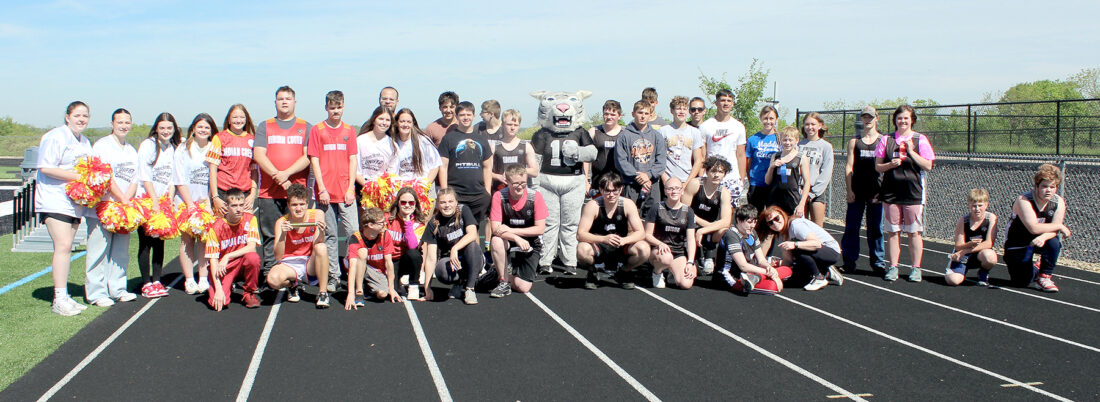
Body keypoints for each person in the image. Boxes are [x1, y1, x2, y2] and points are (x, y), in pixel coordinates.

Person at [37, 101, 94, 315]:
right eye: (77, 115)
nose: (81, 119)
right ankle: (58, 298)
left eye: (85, 116)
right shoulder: (55, 136)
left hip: (74, 202)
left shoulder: (85, 141)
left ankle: (64, 294)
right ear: (67, 116)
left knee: (67, 247)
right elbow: (46, 166)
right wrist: (79, 176)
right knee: (63, 245)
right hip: (55, 199)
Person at [253, 86, 313, 286]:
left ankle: (298, 274)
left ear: (295, 102)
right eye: (280, 99)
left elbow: (308, 156)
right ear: (275, 102)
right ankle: (270, 272)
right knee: (271, 234)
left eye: (288, 98)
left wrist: (286, 174)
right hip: (269, 192)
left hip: (296, 192)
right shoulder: (265, 126)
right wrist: (278, 176)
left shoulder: (305, 126)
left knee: (298, 233)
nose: (284, 102)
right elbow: (259, 155)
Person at [84, 108, 140, 307]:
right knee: (98, 251)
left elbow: (135, 178)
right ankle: (96, 293)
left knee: (121, 251)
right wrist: (121, 198)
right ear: (112, 124)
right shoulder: (102, 145)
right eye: (120, 122)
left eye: (127, 122)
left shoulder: (131, 150)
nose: (124, 126)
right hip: (104, 207)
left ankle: (117, 289)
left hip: (124, 208)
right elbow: (103, 176)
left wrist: (127, 201)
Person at [875, 105, 935, 282]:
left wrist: (910, 152)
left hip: (913, 193)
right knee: (893, 232)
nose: (902, 121)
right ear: (895, 120)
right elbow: (878, 166)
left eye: (906, 118)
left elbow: (928, 165)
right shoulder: (886, 139)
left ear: (912, 120)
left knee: (914, 232)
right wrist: (890, 165)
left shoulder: (920, 139)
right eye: (899, 118)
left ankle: (916, 268)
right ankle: (893, 266)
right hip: (891, 193)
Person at [309, 90, 360, 298]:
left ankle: (352, 273)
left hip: (345, 192)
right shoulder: (317, 130)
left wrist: (350, 189)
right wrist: (321, 188)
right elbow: (314, 160)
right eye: (332, 107)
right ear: (326, 108)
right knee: (329, 235)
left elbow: (352, 160)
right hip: (325, 194)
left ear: (344, 107)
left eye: (339, 107)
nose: (335, 111)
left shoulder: (349, 130)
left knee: (353, 234)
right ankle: (333, 275)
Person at [1003, 164, 1071, 292]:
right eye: (1045, 186)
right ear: (1037, 186)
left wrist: (1045, 236)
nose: (1049, 190)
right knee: (1021, 282)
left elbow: (1054, 231)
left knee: (1054, 242)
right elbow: (1033, 227)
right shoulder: (1024, 200)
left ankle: (1044, 276)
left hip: (1040, 239)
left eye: (1053, 187)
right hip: (1018, 241)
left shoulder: (1058, 202)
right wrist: (1060, 226)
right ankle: (1036, 269)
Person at [577, 173, 649, 290]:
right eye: (607, 191)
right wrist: (604, 239)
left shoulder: (628, 204)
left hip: (621, 245)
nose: (611, 194)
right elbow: (580, 234)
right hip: (599, 245)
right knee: (582, 250)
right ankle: (592, 272)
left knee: (644, 249)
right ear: (600, 189)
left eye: (614, 191)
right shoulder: (593, 205)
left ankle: (624, 271)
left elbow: (641, 232)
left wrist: (625, 240)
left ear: (621, 189)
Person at [136, 112, 181, 298]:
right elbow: (145, 175)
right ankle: (146, 283)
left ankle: (157, 280)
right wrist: (154, 200)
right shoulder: (148, 145)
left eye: (169, 128)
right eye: (162, 128)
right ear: (156, 128)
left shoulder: (173, 147)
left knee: (159, 242)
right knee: (146, 242)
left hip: (163, 201)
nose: (165, 131)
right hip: (146, 199)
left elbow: (173, 177)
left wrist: (168, 199)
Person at [488, 165, 548, 298]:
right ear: (507, 182)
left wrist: (512, 231)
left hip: (531, 242)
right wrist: (515, 238)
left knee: (523, 287)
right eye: (515, 183)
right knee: (496, 240)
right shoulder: (499, 196)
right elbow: (495, 229)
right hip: (509, 240)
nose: (520, 186)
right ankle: (503, 281)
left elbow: (540, 229)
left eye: (523, 183)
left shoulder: (535, 197)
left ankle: (497, 273)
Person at [265, 184, 329, 307]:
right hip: (289, 264)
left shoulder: (317, 215)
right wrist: (283, 234)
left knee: (322, 247)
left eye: (302, 204)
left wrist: (321, 231)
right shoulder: (281, 222)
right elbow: (278, 256)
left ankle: (323, 293)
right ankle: (293, 284)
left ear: (307, 204)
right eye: (294, 205)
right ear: (288, 205)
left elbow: (317, 244)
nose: (298, 209)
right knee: (272, 280)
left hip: (309, 263)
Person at [175, 113, 217, 294]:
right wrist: (190, 204)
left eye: (207, 127)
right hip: (186, 202)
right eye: (200, 126)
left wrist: (208, 201)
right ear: (193, 128)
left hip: (205, 203)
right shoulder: (183, 149)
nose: (203, 130)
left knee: (204, 241)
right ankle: (189, 279)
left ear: (211, 130)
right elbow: (179, 178)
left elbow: (214, 177)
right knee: (187, 240)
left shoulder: (213, 148)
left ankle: (203, 277)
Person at [422, 188, 487, 305]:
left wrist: (455, 248)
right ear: (438, 204)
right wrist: (427, 288)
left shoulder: (464, 210)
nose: (447, 205)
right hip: (452, 263)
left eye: (450, 201)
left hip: (472, 257)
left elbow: (472, 234)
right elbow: (431, 258)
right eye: (443, 202)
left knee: (472, 245)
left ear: (456, 202)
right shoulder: (433, 223)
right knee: (441, 270)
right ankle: (460, 282)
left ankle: (470, 288)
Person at [841, 106, 886, 274]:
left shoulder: (883, 140)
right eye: (865, 117)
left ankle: (878, 264)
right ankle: (849, 262)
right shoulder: (854, 141)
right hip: (857, 191)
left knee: (876, 229)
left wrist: (882, 191)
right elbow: (849, 167)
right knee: (852, 227)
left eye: (871, 117)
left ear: (877, 118)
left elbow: (886, 168)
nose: (868, 120)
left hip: (876, 192)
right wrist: (849, 190)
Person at [757, 206, 844, 291]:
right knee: (795, 279)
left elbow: (817, 244)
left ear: (782, 215)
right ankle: (826, 271)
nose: (775, 223)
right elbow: (788, 260)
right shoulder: (781, 235)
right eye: (770, 223)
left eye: (777, 218)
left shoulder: (796, 225)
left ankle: (819, 277)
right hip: (814, 252)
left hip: (831, 251)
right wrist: (777, 273)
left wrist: (795, 244)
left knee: (797, 250)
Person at [205, 188, 262, 311]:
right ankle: (225, 286)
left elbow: (251, 247)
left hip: (241, 262)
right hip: (223, 268)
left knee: (253, 258)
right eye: (234, 206)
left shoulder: (250, 219)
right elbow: (213, 260)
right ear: (227, 206)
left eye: (241, 205)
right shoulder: (216, 227)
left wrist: (227, 256)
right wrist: (219, 289)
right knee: (219, 302)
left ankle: (249, 292)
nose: (238, 209)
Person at [438, 101, 493, 226]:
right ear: (456, 117)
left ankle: (477, 247)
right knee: (454, 228)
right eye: (462, 115)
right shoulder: (448, 139)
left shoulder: (481, 139)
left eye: (469, 114)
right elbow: (443, 167)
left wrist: (487, 192)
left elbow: (487, 166)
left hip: (478, 195)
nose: (466, 117)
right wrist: (445, 191)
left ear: (474, 116)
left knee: (476, 228)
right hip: (456, 193)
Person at [719, 205, 791, 295]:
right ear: (738, 220)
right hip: (732, 277)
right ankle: (755, 278)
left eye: (755, 222)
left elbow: (761, 260)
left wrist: (769, 268)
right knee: (773, 287)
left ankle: (756, 278)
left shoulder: (752, 233)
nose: (752, 226)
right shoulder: (731, 235)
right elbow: (743, 266)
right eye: (749, 222)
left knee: (787, 270)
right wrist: (769, 273)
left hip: (749, 274)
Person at [680, 156, 731, 275]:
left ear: (724, 174)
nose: (716, 175)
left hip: (708, 228)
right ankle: (692, 255)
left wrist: (704, 230)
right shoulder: (695, 184)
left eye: (720, 172)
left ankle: (711, 256)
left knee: (724, 230)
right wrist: (704, 227)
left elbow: (726, 221)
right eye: (713, 171)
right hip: (690, 223)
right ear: (706, 172)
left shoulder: (724, 192)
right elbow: (684, 209)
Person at [644, 177, 697, 289]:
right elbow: (647, 235)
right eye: (670, 189)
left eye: (677, 188)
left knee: (686, 284)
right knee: (666, 258)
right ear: (665, 191)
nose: (674, 191)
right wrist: (660, 244)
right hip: (659, 251)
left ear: (682, 191)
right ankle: (657, 272)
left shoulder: (688, 211)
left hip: (678, 252)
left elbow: (691, 239)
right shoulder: (657, 207)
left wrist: (691, 262)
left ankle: (672, 272)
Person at [616, 100, 667, 214]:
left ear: (650, 115)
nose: (643, 116)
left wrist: (648, 175)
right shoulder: (624, 136)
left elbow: (661, 161)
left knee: (652, 220)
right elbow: (621, 161)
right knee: (630, 219)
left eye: (646, 113)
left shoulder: (656, 136)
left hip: (652, 184)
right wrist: (637, 176)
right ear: (633, 114)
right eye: (640, 112)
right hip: (631, 184)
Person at [698, 89, 748, 205]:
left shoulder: (738, 126)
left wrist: (741, 179)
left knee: (730, 212)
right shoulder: (705, 126)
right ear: (716, 103)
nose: (726, 103)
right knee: (709, 210)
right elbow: (702, 155)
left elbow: (741, 155)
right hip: (711, 176)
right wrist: (702, 175)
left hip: (732, 177)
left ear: (732, 104)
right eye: (722, 100)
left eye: (729, 101)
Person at [207, 103, 257, 216]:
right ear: (229, 120)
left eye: (242, 117)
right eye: (235, 117)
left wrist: (252, 194)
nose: (238, 120)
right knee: (222, 228)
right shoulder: (219, 138)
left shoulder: (252, 140)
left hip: (244, 193)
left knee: (244, 229)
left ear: (246, 119)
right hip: (223, 192)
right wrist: (215, 197)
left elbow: (254, 170)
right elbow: (213, 170)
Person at [347, 208, 401, 309]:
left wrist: (392, 288)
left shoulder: (385, 235)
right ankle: (359, 291)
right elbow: (352, 266)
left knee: (382, 295)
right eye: (381, 223)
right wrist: (350, 294)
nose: (384, 225)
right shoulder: (355, 238)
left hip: (375, 270)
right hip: (359, 264)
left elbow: (389, 263)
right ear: (370, 225)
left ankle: (368, 288)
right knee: (363, 252)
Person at [946, 189, 998, 287]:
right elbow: (958, 246)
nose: (977, 209)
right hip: (963, 255)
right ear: (969, 206)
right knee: (953, 281)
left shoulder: (991, 218)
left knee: (990, 256)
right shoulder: (963, 220)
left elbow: (989, 243)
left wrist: (966, 250)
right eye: (974, 206)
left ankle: (983, 273)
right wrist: (968, 245)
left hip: (976, 253)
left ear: (986, 205)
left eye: (980, 205)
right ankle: (958, 269)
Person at [386, 187, 430, 300]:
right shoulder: (387, 218)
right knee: (391, 293)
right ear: (398, 203)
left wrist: (407, 223)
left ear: (415, 204)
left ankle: (414, 285)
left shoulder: (419, 223)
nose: (407, 205)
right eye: (403, 202)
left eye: (411, 202)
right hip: (390, 261)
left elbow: (413, 246)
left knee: (414, 254)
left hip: (407, 260)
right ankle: (397, 280)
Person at [764, 126, 811, 217]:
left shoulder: (801, 158)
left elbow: (807, 183)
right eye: (785, 140)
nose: (787, 143)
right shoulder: (775, 156)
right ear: (781, 141)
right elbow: (767, 181)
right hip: (774, 200)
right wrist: (771, 167)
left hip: (792, 200)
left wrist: (801, 204)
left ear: (796, 141)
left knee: (793, 228)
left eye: (790, 140)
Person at [798, 112, 834, 227]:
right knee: (799, 227)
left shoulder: (826, 146)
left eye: (813, 124)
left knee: (817, 229)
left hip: (816, 192)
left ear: (820, 125)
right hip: (799, 190)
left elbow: (826, 171)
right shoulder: (798, 145)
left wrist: (813, 192)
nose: (810, 127)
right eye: (807, 124)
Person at [388, 108, 442, 186]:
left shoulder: (423, 140)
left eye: (408, 122)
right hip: (399, 189)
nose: (405, 125)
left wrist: (426, 185)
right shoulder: (392, 142)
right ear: (396, 123)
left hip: (419, 188)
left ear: (413, 123)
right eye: (402, 121)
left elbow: (435, 164)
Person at [659, 96, 705, 184]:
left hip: (687, 179)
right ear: (672, 111)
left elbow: (698, 160)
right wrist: (666, 180)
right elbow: (657, 158)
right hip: (668, 180)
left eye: (684, 109)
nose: (681, 112)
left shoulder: (695, 132)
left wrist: (688, 182)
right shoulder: (663, 131)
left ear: (687, 111)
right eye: (678, 109)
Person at [489, 109, 538, 192]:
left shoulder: (526, 146)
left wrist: (516, 172)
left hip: (519, 191)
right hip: (499, 190)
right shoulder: (494, 147)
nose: (512, 128)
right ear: (503, 124)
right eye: (509, 124)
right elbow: (486, 171)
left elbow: (535, 172)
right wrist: (498, 177)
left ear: (519, 126)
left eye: (515, 125)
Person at [744, 106, 780, 211]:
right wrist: (751, 180)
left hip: (774, 185)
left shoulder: (781, 139)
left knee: (772, 216)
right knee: (755, 216)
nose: (768, 121)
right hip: (757, 184)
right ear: (761, 118)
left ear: (776, 119)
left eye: (771, 118)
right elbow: (748, 163)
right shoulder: (753, 139)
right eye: (765, 118)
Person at [587, 100, 625, 191]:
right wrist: (586, 181)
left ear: (619, 116)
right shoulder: (593, 132)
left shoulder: (625, 133)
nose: (609, 117)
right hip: (598, 181)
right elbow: (586, 159)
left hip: (620, 181)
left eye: (612, 114)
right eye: (606, 114)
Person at [356, 106, 395, 185]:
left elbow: (392, 171)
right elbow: (356, 169)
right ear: (374, 120)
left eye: (387, 120)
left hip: (383, 188)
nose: (384, 123)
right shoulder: (360, 140)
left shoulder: (392, 144)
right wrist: (368, 186)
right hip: (362, 186)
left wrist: (380, 187)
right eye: (381, 119)